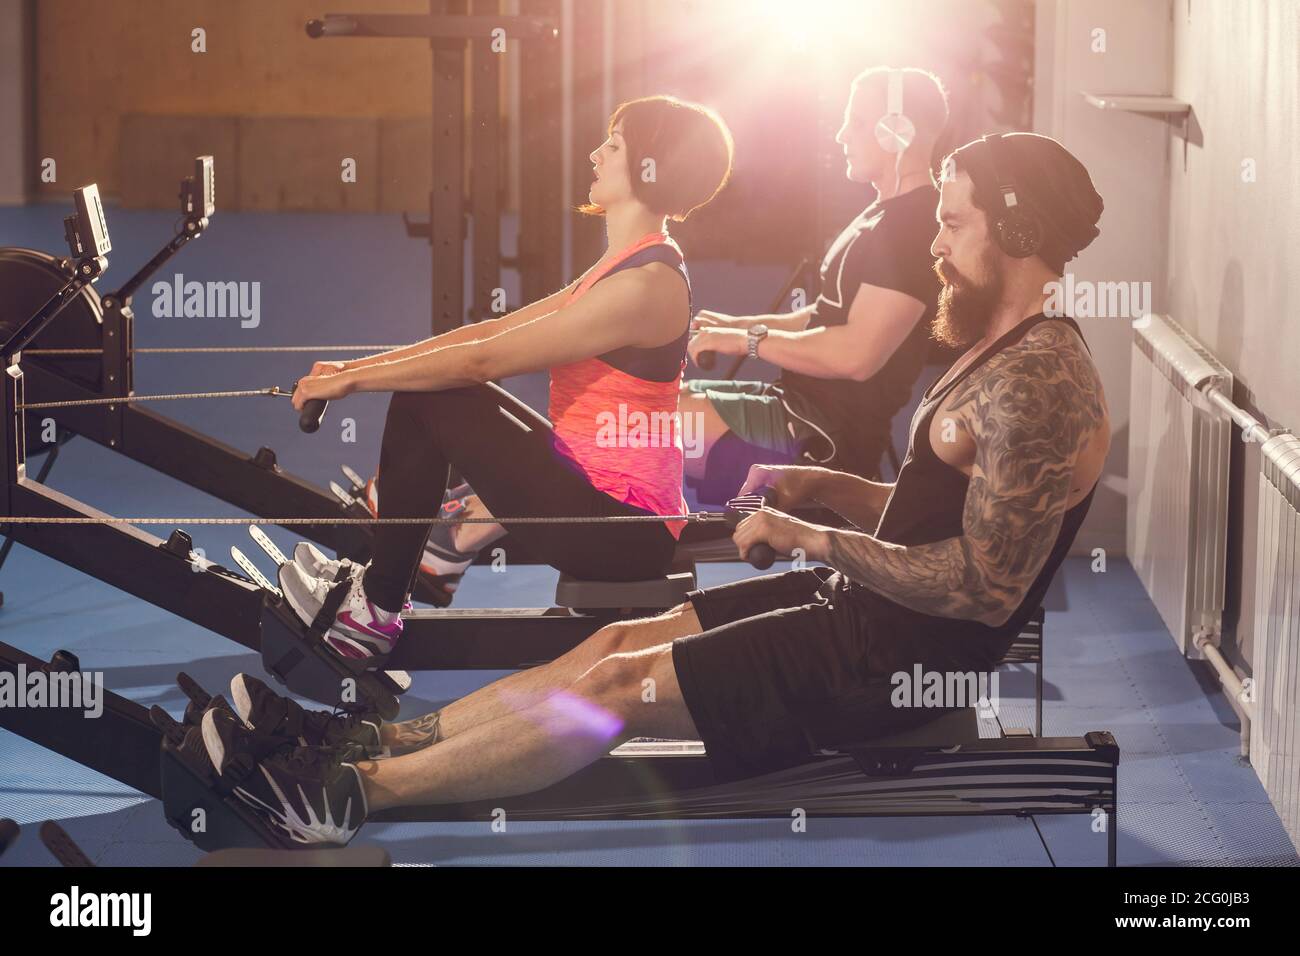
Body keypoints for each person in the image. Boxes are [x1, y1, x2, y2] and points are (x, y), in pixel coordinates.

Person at [203, 131, 1110, 845]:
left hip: (895, 661)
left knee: (625, 687)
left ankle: (346, 794)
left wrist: (816, 538)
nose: (936, 247)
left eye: (953, 226)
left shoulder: (1037, 386)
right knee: (620, 637)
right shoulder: (1000, 350)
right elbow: (934, 517)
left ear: (1019, 233)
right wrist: (828, 487)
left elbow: (986, 591)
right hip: (864, 605)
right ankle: (380, 741)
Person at [284, 95, 734, 661]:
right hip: (603, 505)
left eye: (614, 145)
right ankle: (410, 577)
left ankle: (372, 614)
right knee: (433, 393)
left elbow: (483, 363)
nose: (596, 154)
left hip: (620, 531)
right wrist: (355, 369)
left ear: (651, 165)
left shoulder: (644, 287)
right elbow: (486, 334)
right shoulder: (627, 265)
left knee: (435, 401)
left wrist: (350, 386)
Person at [682, 67, 950, 503]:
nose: (842, 135)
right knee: (647, 413)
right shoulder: (883, 213)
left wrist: (746, 340)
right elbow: (826, 314)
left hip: (822, 434)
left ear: (898, 131)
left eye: (857, 122)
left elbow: (856, 354)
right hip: (797, 405)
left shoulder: (912, 226)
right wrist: (740, 323)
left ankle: (634, 558)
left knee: (642, 427)